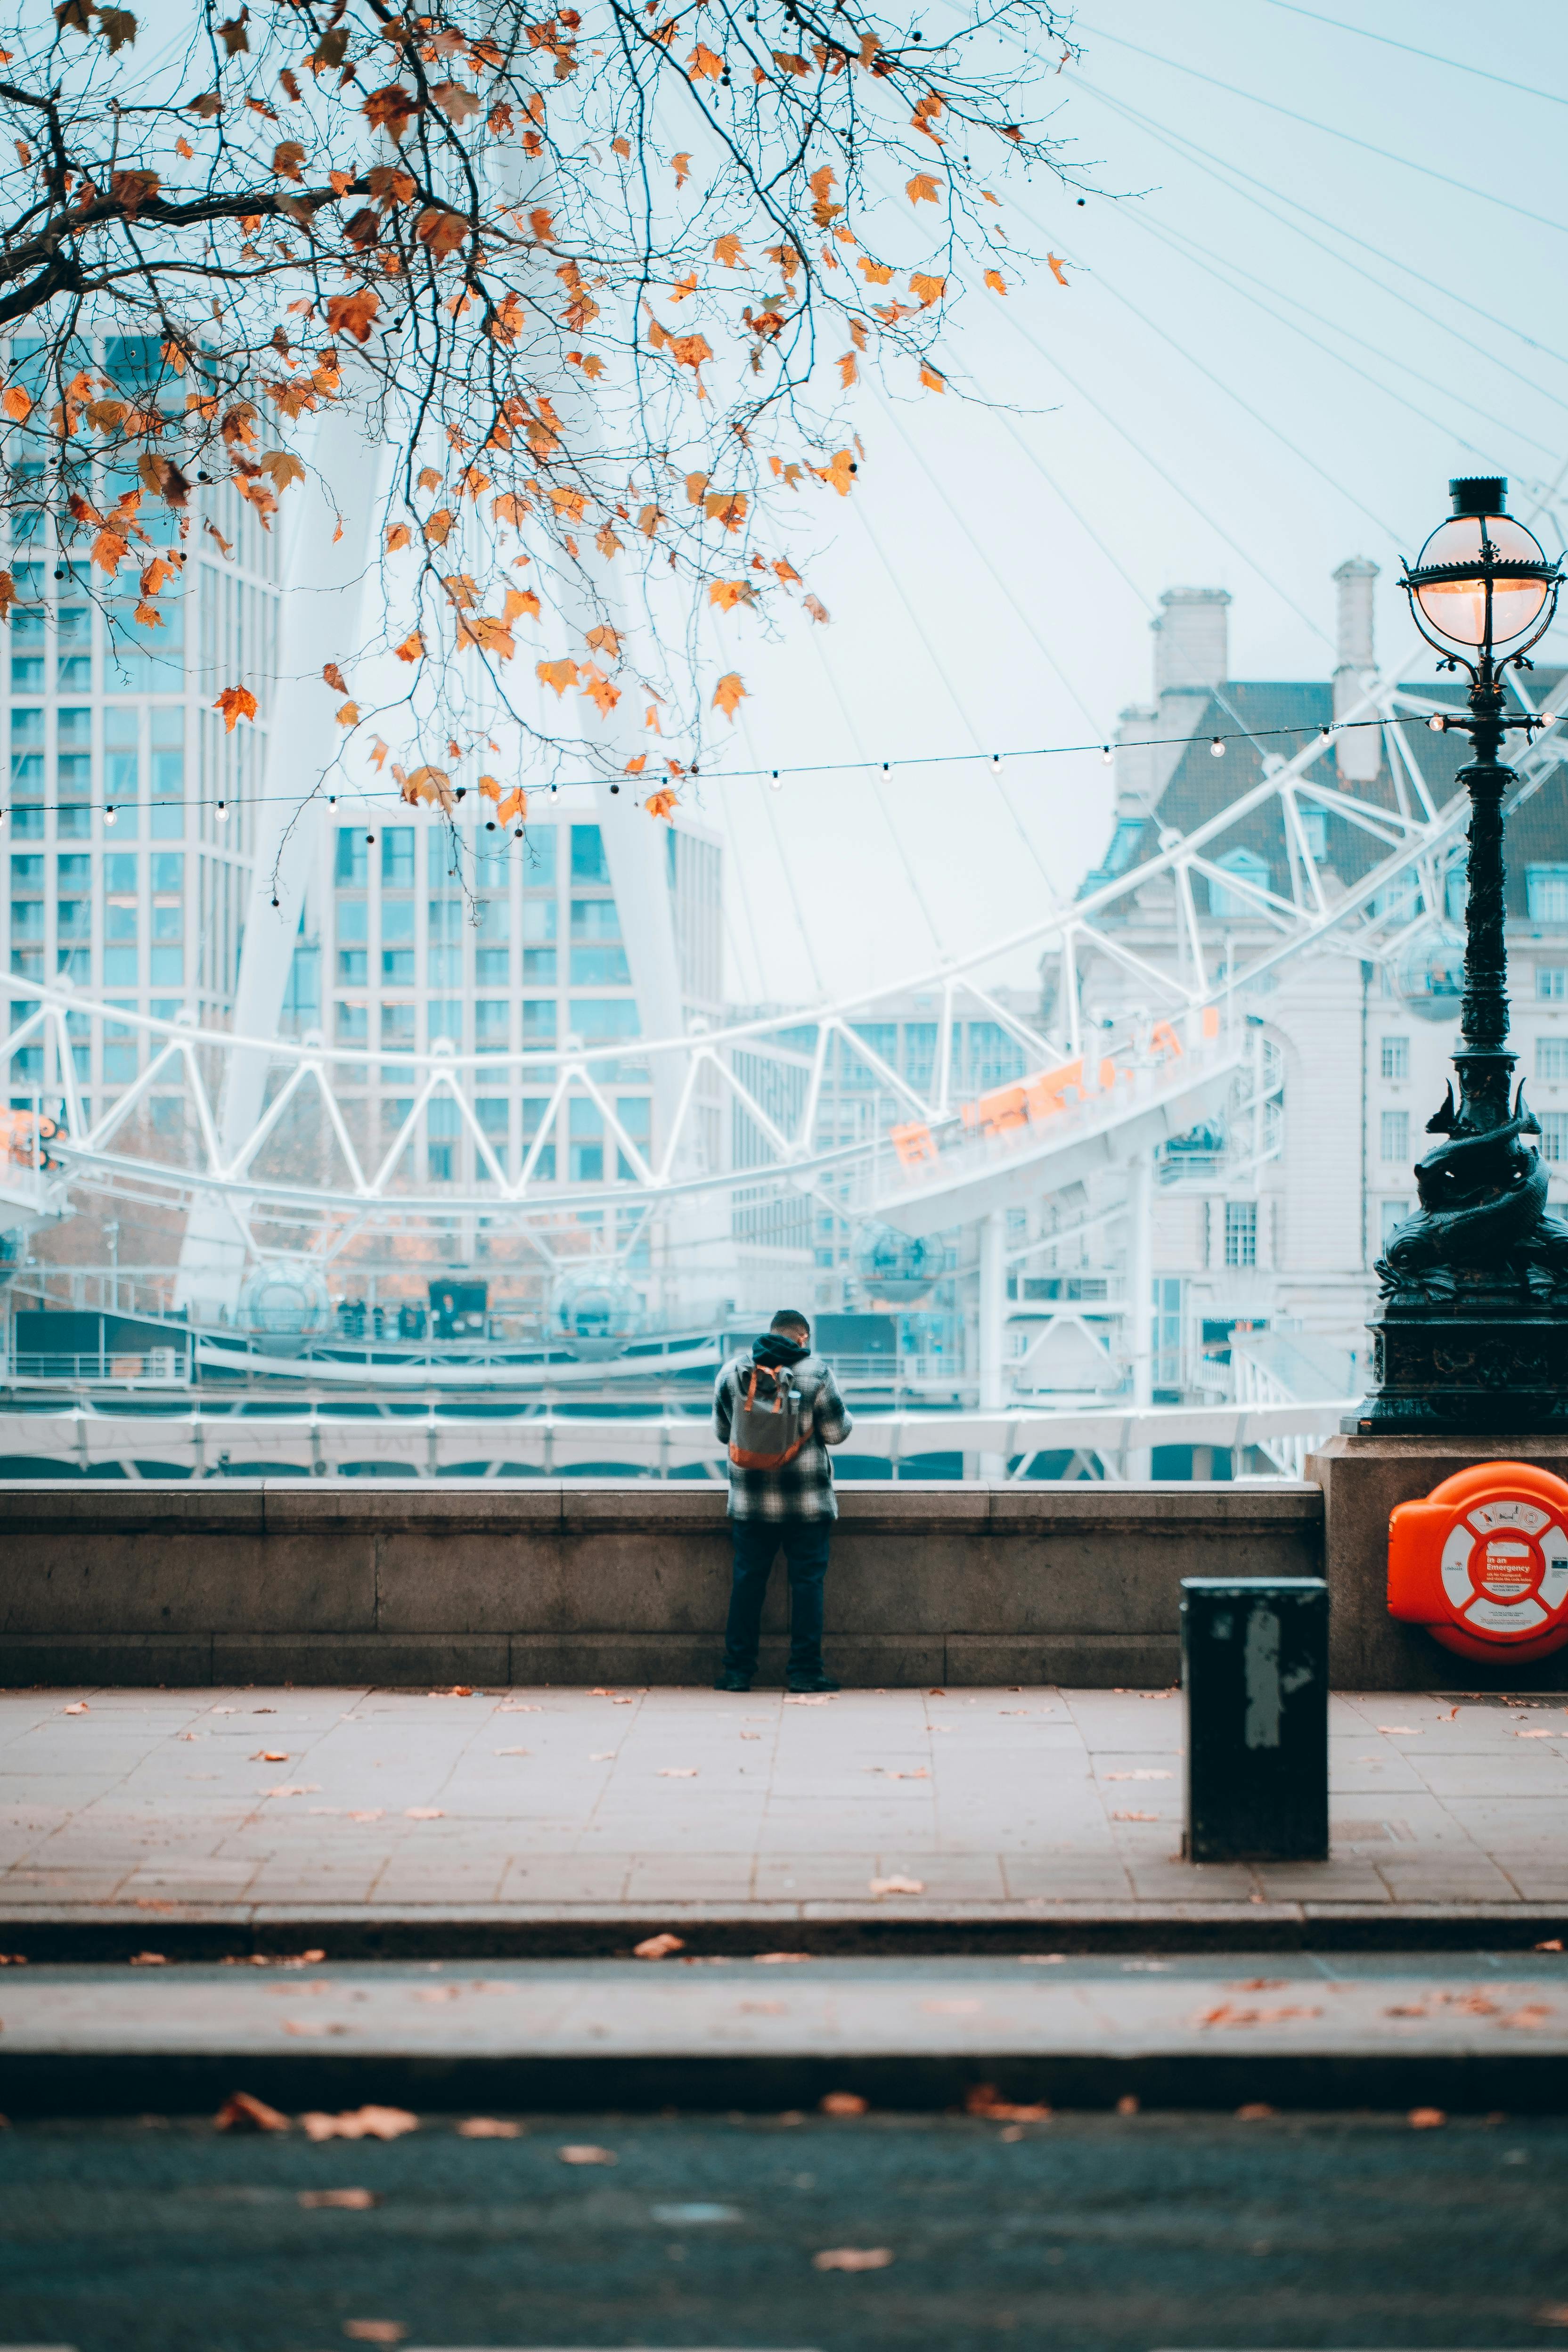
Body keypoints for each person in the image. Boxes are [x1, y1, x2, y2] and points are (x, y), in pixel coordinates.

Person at [711, 1308, 853, 1693]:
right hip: (806, 1502)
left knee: (748, 1584)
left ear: (771, 1332)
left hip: (750, 1503)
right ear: (803, 1338)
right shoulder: (816, 1373)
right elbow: (836, 1433)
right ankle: (805, 1673)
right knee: (807, 1584)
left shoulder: (731, 1373)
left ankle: (737, 1672)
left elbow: (723, 1433)